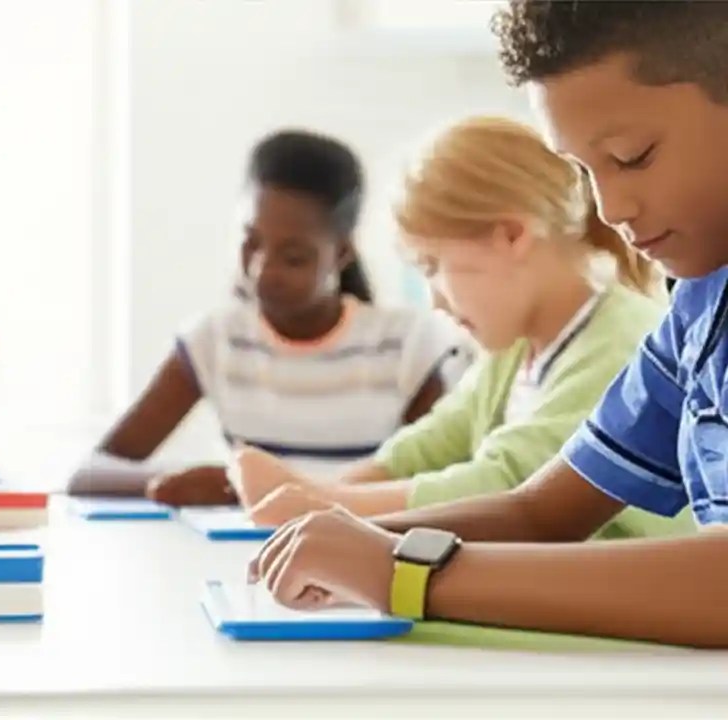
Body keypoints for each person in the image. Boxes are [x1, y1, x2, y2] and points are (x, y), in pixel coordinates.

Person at [250, 0, 728, 649]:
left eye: (633, 155)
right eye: (586, 171)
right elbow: (540, 511)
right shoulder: (696, 312)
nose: (612, 208)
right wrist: (350, 542)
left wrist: (409, 574)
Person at [236, 116, 690, 541]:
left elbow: (509, 487)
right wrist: (314, 494)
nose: (434, 300)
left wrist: (327, 505)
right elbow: (429, 445)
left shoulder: (622, 344)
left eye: (432, 266)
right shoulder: (516, 351)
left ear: (511, 235)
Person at [68, 130, 462, 505]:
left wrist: (280, 489)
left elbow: (445, 481)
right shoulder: (216, 340)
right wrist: (210, 483)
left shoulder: (406, 345)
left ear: (341, 253)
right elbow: (89, 474)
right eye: (250, 242)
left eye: (293, 257)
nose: (261, 269)